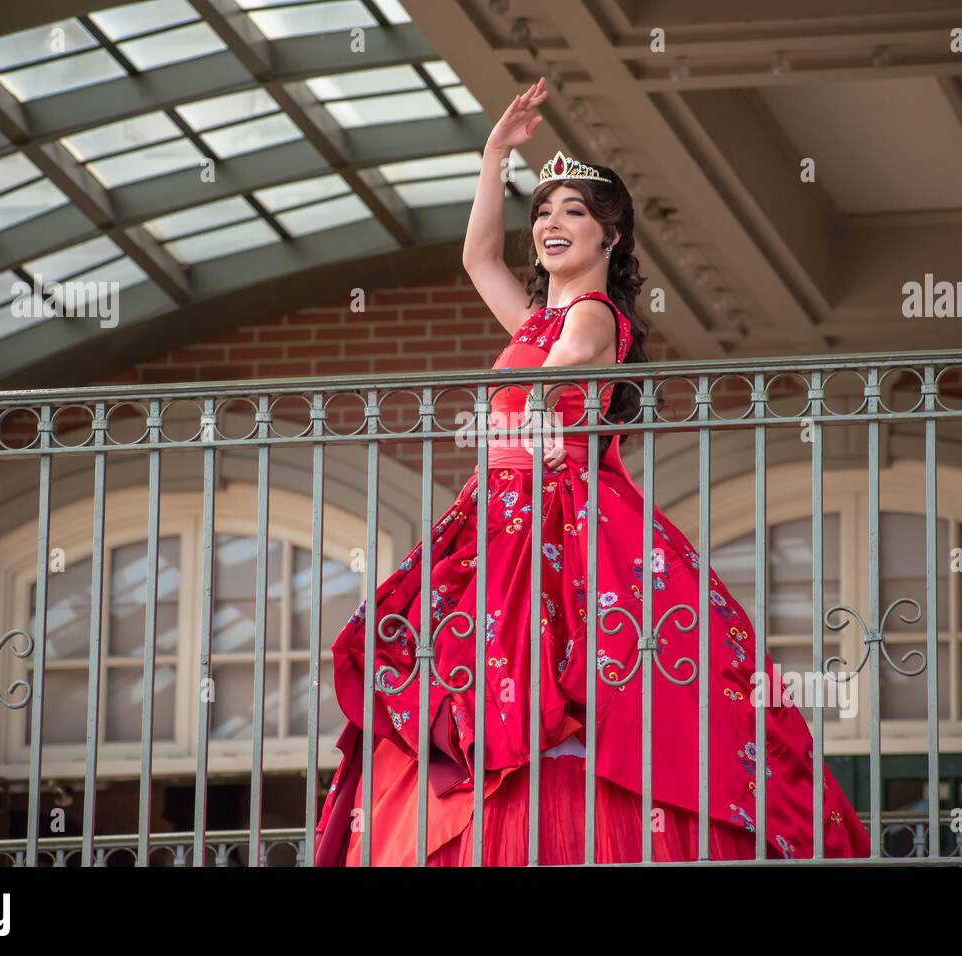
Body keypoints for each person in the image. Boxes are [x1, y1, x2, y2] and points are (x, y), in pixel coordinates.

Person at [313, 77, 871, 865]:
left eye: (572, 211)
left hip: (557, 507)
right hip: (504, 504)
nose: (551, 223)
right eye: (543, 211)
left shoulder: (591, 315)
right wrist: (493, 157)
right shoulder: (536, 320)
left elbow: (569, 363)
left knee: (558, 666)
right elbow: (478, 257)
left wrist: (539, 416)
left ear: (611, 237)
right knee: (498, 662)